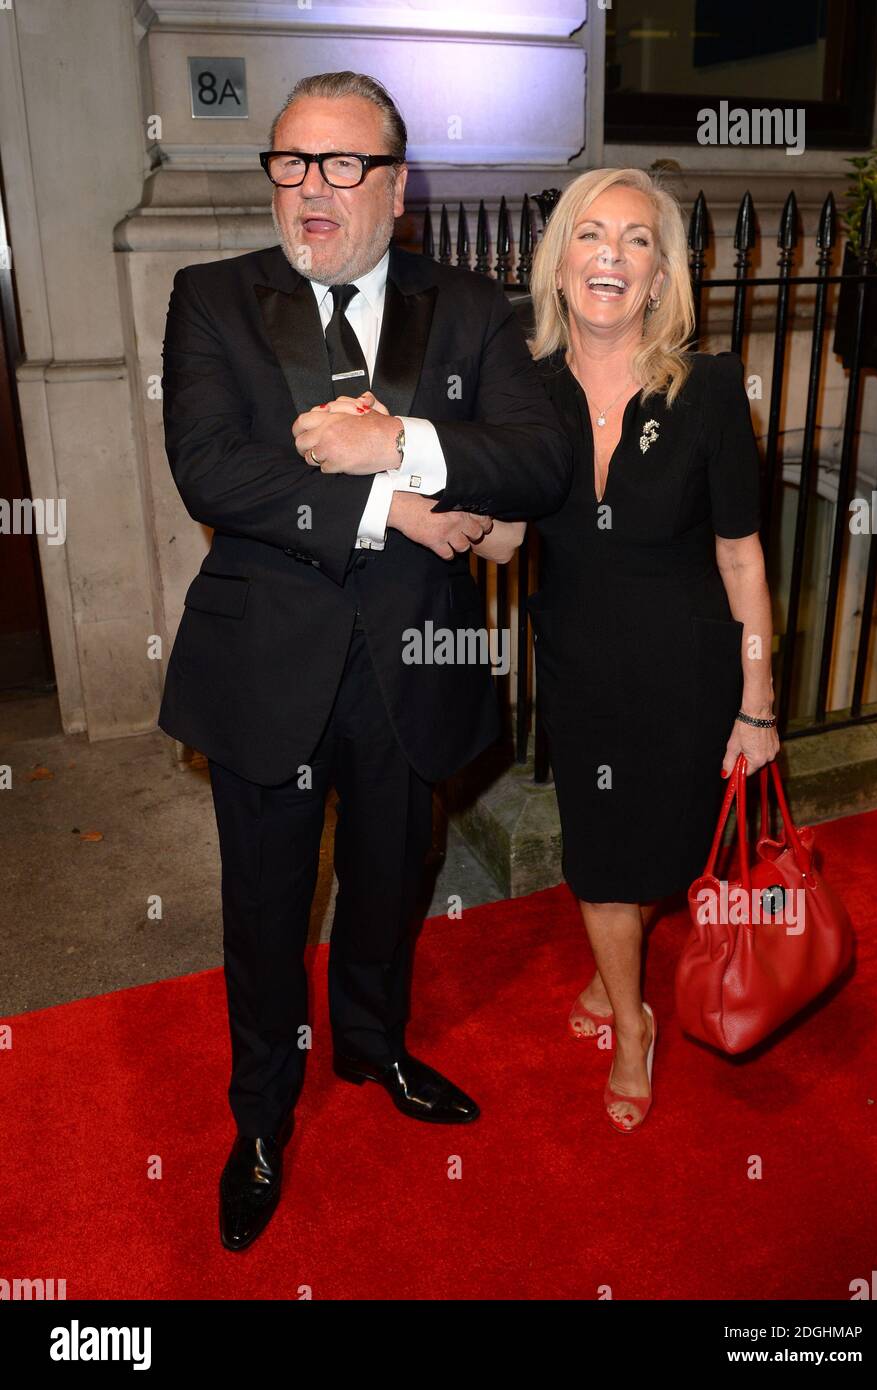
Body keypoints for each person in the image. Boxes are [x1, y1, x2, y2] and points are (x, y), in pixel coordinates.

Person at [159, 70, 571, 1250]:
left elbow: (536, 463)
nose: (311, 190)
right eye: (290, 163)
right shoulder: (214, 299)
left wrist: (396, 442)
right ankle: (259, 1117)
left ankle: (376, 1047)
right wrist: (392, 505)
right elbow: (213, 470)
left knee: (390, 883)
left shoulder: (478, 310)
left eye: (342, 165)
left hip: (414, 660)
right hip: (266, 663)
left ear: (396, 184)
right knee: (266, 907)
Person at [481, 168, 779, 1132]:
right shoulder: (521, 393)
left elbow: (741, 556)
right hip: (579, 664)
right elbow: (502, 538)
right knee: (603, 859)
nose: (612, 253)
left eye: (637, 240)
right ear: (560, 263)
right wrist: (417, 490)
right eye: (591, 234)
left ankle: (617, 971)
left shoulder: (711, 390)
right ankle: (630, 1021)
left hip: (690, 667)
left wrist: (758, 702)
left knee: (667, 856)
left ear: (659, 278)